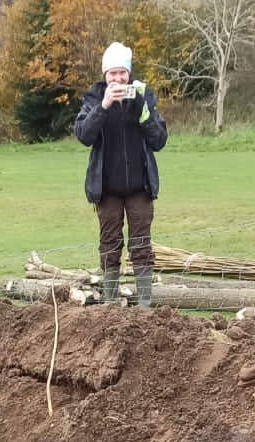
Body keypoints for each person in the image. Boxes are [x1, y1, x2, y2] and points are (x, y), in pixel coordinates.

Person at [74, 42, 168, 307]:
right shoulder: (94, 97)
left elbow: (159, 139)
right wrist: (103, 107)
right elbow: (83, 135)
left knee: (141, 246)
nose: (117, 79)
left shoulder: (142, 94)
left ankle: (145, 305)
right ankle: (111, 304)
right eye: (112, 73)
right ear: (105, 75)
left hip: (140, 188)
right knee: (110, 246)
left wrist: (142, 110)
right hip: (107, 191)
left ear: (129, 73)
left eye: (122, 73)